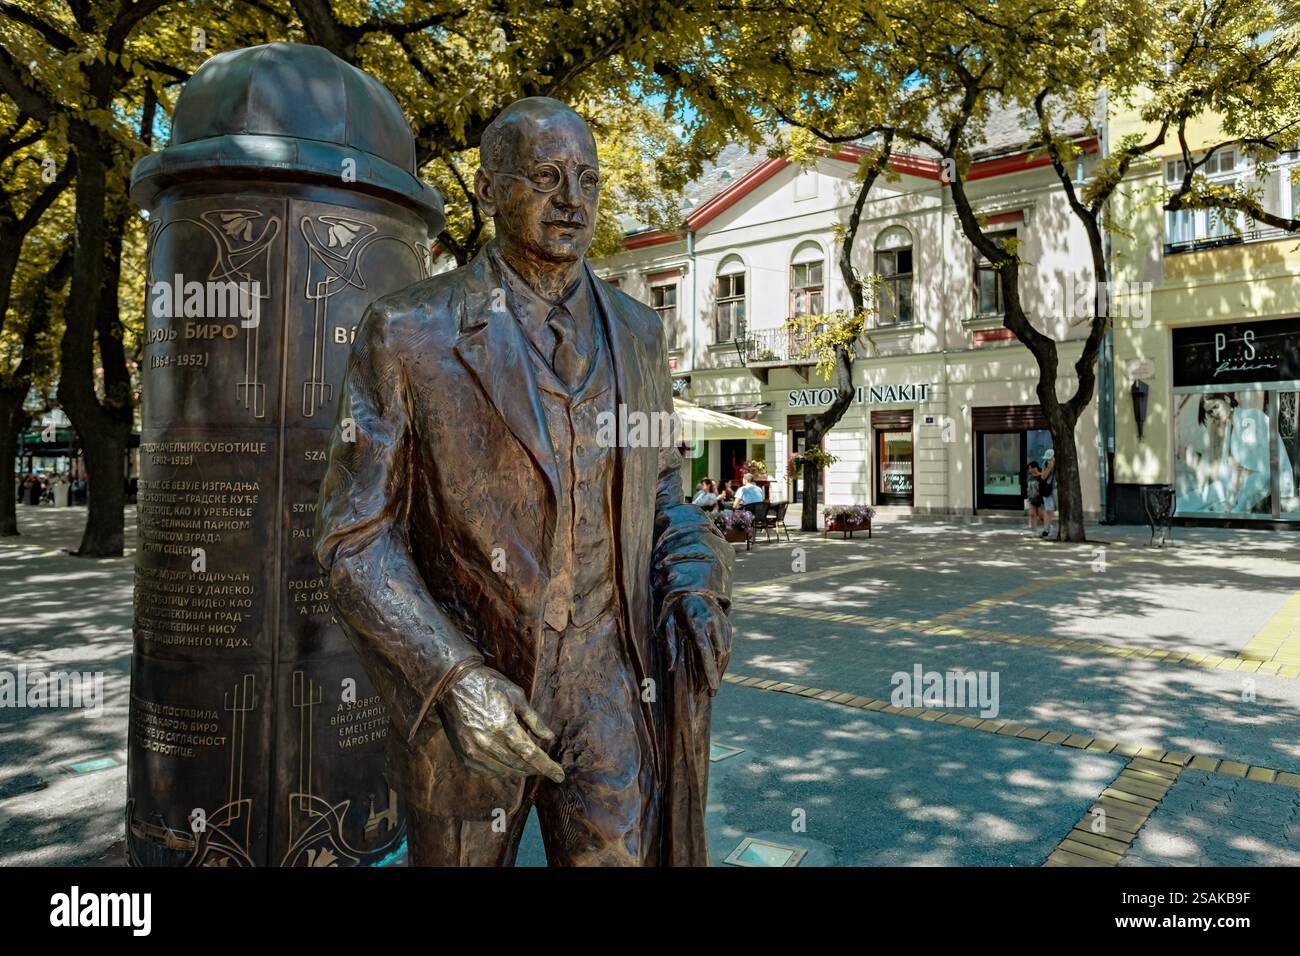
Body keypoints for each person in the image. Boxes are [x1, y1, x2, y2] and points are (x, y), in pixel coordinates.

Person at [316, 97, 733, 867]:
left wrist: (698, 583)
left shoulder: (639, 333)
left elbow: (664, 495)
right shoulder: (409, 330)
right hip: (474, 696)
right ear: (485, 187)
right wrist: (456, 679)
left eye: (588, 179)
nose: (572, 201)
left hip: (612, 687)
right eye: (545, 176)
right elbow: (354, 539)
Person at [1198, 393, 1298, 514]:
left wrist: (1240, 505)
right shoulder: (1234, 426)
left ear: (1226, 399)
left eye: (1216, 406)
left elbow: (1264, 466)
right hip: (1264, 490)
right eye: (1210, 412)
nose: (1214, 413)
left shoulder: (1248, 419)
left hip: (1277, 489)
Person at [1038, 449, 1056, 538]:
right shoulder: (1045, 464)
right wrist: (1049, 468)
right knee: (1049, 510)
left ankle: (1048, 528)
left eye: (1050, 459)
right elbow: (1043, 476)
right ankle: (1047, 529)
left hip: (1055, 489)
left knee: (1051, 510)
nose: (1049, 460)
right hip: (1048, 490)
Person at [1026, 461, 1044, 536]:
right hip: (1032, 498)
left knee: (1040, 515)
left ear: (1034, 468)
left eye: (1030, 468)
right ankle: (1034, 531)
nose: (1029, 470)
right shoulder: (1029, 476)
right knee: (1032, 514)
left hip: (1040, 498)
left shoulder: (1041, 475)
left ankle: (1047, 527)